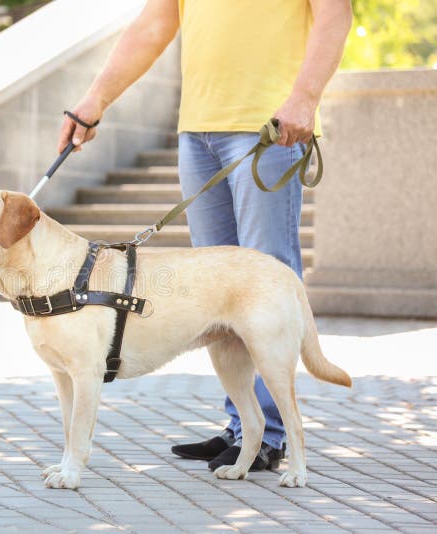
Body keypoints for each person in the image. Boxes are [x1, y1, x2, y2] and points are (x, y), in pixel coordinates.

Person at [57, 0, 352, 471]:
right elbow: (155, 23)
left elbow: (335, 14)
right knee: (218, 293)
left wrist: (305, 97)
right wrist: (96, 99)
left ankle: (272, 436)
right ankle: (244, 429)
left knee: (265, 280)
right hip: (197, 133)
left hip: (269, 129)